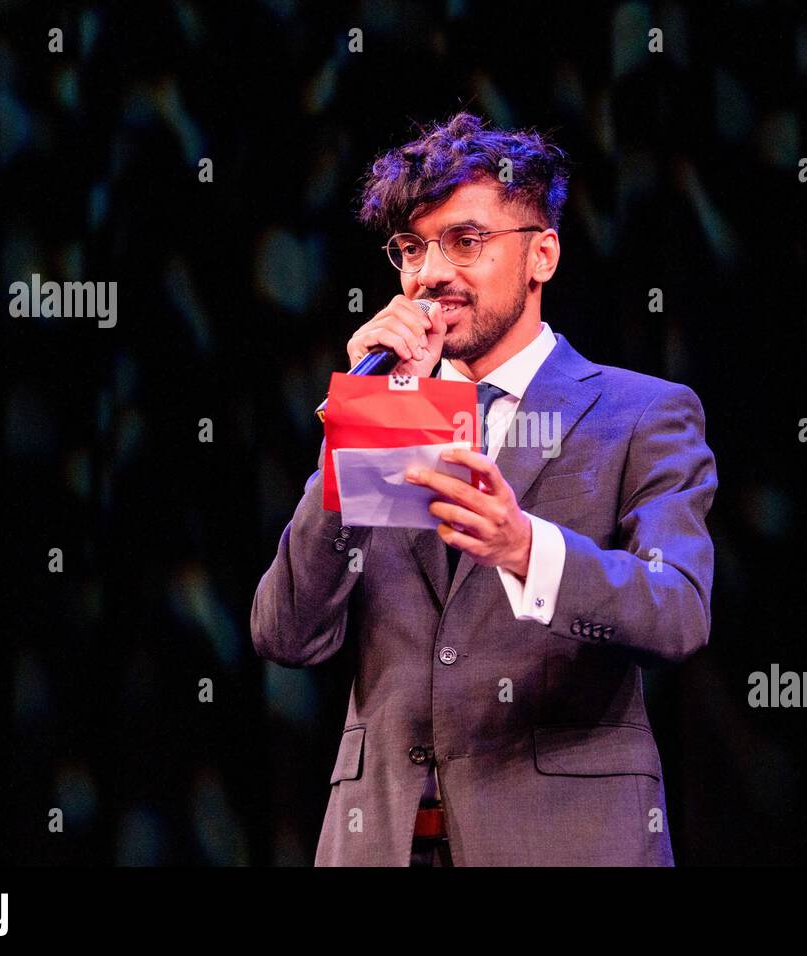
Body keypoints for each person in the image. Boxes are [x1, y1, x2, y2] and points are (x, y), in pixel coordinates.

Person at [251, 112, 717, 866]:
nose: (430, 273)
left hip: (564, 842)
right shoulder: (389, 417)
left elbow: (677, 610)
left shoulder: (643, 413)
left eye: (466, 241)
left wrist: (528, 548)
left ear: (542, 255)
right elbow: (287, 633)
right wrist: (359, 431)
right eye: (411, 247)